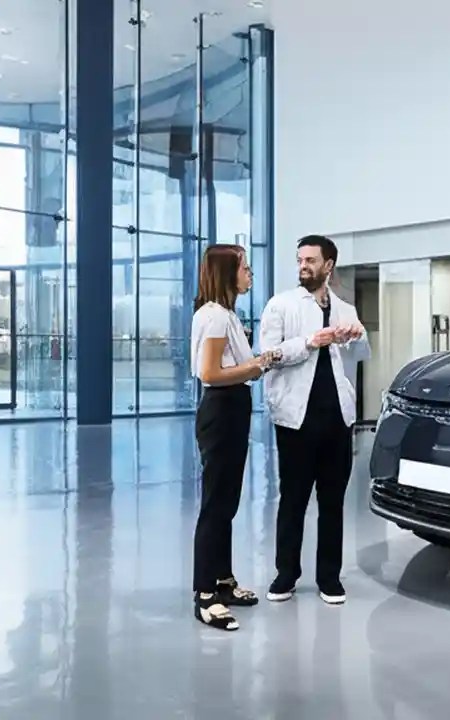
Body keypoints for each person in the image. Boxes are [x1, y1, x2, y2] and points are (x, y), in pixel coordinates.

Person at [260, 235, 370, 605]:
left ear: (329, 265)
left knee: (333, 501)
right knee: (292, 499)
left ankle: (329, 578)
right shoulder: (281, 305)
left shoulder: (345, 308)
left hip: (337, 419)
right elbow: (269, 355)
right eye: (300, 260)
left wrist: (354, 336)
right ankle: (286, 574)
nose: (303, 266)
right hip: (296, 420)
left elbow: (361, 353)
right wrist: (310, 341)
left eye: (310, 260)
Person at [190, 244, 280, 630]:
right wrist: (254, 367)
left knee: (226, 503)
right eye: (245, 268)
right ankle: (205, 595)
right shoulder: (213, 318)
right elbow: (209, 373)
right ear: (228, 273)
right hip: (222, 410)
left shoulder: (225, 315)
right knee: (215, 505)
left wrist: (254, 365)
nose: (250, 274)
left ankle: (223, 581)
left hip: (233, 409)